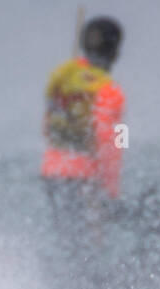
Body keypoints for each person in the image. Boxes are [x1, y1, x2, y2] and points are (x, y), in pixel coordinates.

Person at [40, 16, 125, 199]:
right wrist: (111, 188)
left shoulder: (61, 75)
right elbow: (111, 141)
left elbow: (48, 124)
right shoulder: (110, 90)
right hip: (85, 176)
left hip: (50, 170)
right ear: (116, 52)